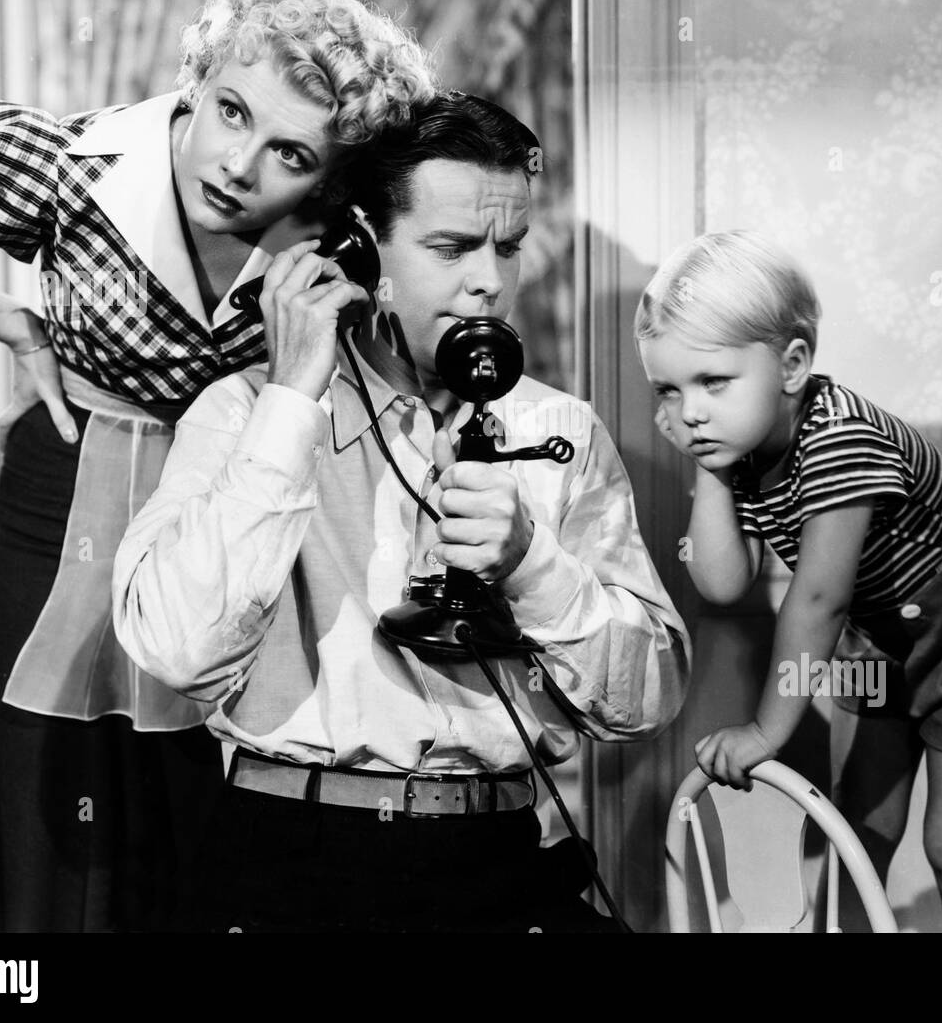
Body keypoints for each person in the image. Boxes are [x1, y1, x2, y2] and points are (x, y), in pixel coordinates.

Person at [0, 0, 435, 931]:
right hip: (62, 504)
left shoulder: (331, 235)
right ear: (199, 76)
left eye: (291, 151)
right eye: (231, 111)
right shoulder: (63, 168)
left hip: (227, 504)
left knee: (200, 804)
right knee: (50, 797)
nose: (240, 163)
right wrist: (6, 322)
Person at [112, 91, 691, 933]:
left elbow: (649, 700)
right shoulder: (244, 414)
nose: (489, 281)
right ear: (360, 247)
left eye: (510, 246)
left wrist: (536, 566)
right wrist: (292, 401)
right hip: (290, 859)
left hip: (499, 856)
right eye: (452, 248)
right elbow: (176, 650)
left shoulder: (558, 428)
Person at [635, 230, 942, 932]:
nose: (689, 412)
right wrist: (708, 467)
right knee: (858, 827)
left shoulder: (841, 439)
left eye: (712, 382)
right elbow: (721, 581)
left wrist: (767, 731)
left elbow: (818, 598)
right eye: (669, 390)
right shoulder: (738, 446)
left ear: (794, 363)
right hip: (880, 645)